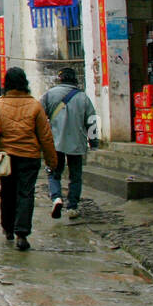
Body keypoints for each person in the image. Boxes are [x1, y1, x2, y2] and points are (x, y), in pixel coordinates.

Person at [0, 67, 58, 250]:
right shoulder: (35, 105)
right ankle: (22, 234)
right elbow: (45, 136)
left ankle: (7, 228)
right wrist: (52, 161)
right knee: (26, 194)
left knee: (6, 193)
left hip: (7, 158)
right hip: (30, 157)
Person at [43, 67, 99, 219]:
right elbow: (91, 121)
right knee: (75, 176)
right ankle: (72, 207)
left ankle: (57, 198)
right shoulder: (83, 97)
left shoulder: (49, 95)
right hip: (77, 143)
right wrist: (94, 142)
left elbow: (39, 117)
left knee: (54, 173)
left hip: (55, 143)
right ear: (75, 79)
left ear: (60, 79)